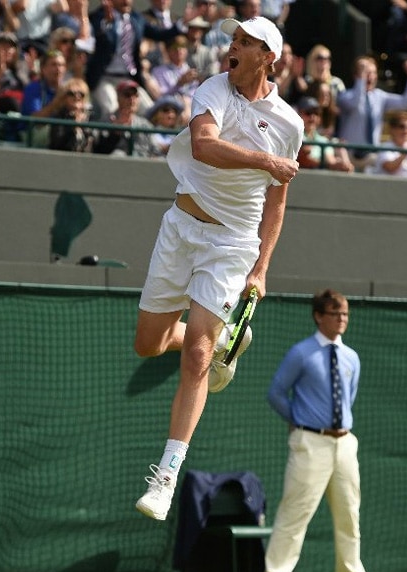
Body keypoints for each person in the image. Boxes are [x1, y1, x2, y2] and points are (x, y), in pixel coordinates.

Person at [133, 16, 301, 522]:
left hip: (232, 243)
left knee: (200, 352)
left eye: (247, 43)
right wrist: (267, 162)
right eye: (235, 39)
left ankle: (166, 474)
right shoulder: (212, 87)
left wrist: (261, 269)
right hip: (181, 227)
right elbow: (203, 147)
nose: (235, 46)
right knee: (150, 344)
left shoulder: (289, 124)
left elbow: (276, 206)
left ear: (267, 57)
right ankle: (230, 337)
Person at [263, 288, 366, 572]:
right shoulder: (301, 352)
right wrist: (298, 418)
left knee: (350, 521)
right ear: (319, 317)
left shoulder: (351, 358)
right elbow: (276, 393)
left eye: (345, 313)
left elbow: (349, 397)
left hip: (345, 445)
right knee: (292, 521)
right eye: (335, 314)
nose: (342, 319)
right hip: (309, 444)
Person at [336, 55, 407, 165]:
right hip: (348, 157)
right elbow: (355, 103)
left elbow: (406, 103)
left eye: (373, 73)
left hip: (371, 156)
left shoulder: (380, 97)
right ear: (356, 75)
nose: (370, 77)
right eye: (366, 72)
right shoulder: (345, 96)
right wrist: (361, 79)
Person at [92, 77, 157, 156]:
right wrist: (115, 134)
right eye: (127, 95)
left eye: (135, 95)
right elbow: (98, 151)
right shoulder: (106, 121)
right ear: (118, 97)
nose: (132, 100)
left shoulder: (145, 124)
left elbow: (154, 150)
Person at [296, 96, 353, 172]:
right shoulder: (293, 136)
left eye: (316, 113)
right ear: (298, 114)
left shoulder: (323, 140)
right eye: (308, 113)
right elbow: (303, 161)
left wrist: (341, 165)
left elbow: (330, 161)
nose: (312, 117)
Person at [47, 77, 94, 151]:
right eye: (71, 93)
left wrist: (83, 128)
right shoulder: (59, 117)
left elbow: (97, 143)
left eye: (81, 94)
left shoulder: (90, 117)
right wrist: (73, 127)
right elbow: (57, 143)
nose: (77, 96)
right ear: (64, 97)